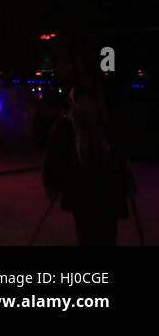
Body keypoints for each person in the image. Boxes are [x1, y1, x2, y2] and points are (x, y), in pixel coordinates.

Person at [43, 44, 133, 245]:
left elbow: (118, 153)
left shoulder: (104, 124)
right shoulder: (67, 126)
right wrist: (52, 184)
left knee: (108, 237)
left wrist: (125, 176)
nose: (88, 106)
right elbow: (54, 158)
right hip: (83, 194)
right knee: (89, 237)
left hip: (107, 192)